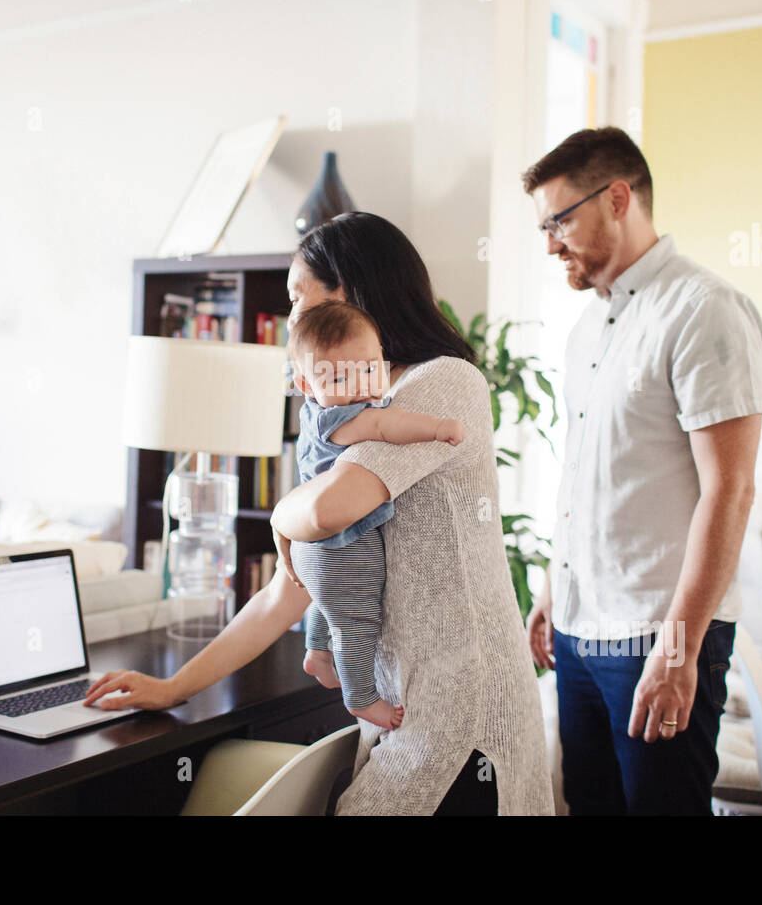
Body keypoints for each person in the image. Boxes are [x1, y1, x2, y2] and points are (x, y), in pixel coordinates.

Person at [84, 211, 554, 816]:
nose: (292, 320)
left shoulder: (441, 383)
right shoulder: (347, 413)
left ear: (349, 292)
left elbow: (329, 510)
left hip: (465, 709)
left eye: (298, 297)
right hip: (407, 705)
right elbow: (284, 592)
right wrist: (174, 687)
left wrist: (281, 514)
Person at [522, 127, 762, 815]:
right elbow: (584, 477)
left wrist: (679, 648)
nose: (550, 243)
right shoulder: (584, 332)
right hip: (577, 630)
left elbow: (731, 490)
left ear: (619, 198)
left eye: (559, 221)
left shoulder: (705, 310)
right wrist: (550, 587)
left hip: (657, 634)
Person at [287, 299, 467, 731]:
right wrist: (438, 429)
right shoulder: (342, 417)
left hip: (314, 548)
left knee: (332, 606)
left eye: (369, 368)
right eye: (339, 375)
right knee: (359, 622)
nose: (361, 385)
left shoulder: (311, 416)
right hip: (343, 546)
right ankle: (362, 699)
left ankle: (317, 653)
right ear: (306, 384)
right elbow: (388, 427)